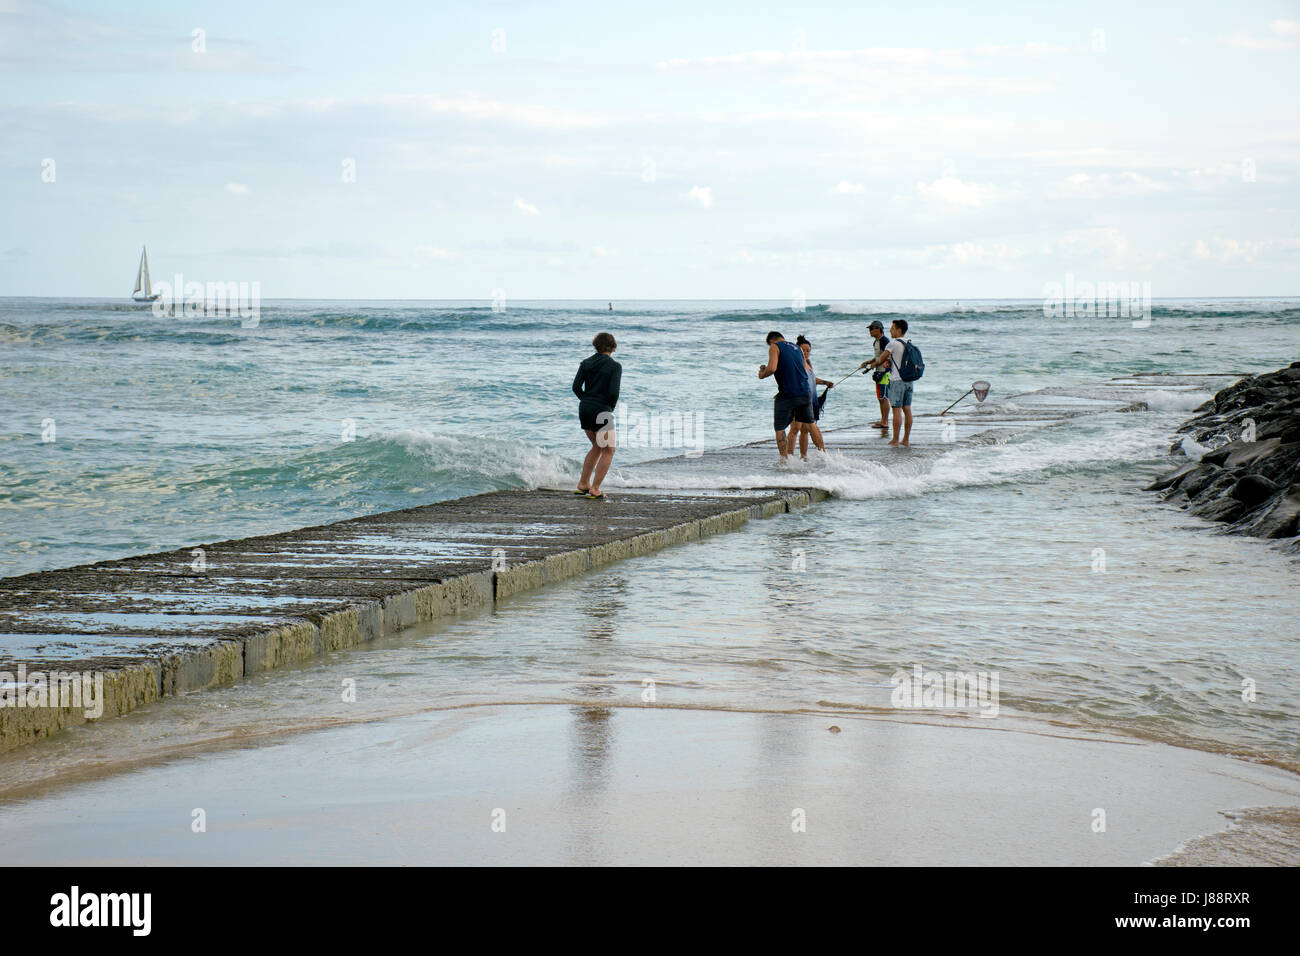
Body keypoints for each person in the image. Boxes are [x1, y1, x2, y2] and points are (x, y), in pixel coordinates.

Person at [571, 332, 621, 499]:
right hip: (602, 409)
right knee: (609, 449)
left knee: (597, 446)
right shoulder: (614, 366)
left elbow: (576, 387)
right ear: (613, 347)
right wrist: (609, 408)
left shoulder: (585, 363)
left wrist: (587, 401)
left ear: (595, 346)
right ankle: (595, 489)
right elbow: (613, 393)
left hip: (585, 408)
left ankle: (583, 484)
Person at [757, 331, 813, 461]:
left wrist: (762, 374)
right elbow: (806, 369)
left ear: (772, 341)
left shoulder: (775, 346)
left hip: (787, 394)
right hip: (805, 392)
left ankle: (785, 460)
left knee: (780, 428)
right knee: (810, 425)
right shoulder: (797, 348)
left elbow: (771, 368)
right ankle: (823, 454)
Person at [794, 335, 831, 458]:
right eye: (803, 350)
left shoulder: (808, 363)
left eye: (808, 350)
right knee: (807, 427)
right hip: (802, 400)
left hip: (812, 400)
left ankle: (803, 456)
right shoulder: (796, 363)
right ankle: (821, 452)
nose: (805, 352)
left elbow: (812, 379)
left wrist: (825, 382)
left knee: (805, 430)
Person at [880, 319, 914, 446]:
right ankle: (906, 439)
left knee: (896, 410)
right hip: (909, 380)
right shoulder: (908, 343)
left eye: (892, 328)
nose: (890, 330)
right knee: (907, 409)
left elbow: (880, 359)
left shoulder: (893, 343)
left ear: (899, 330)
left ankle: (895, 439)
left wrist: (868, 364)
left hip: (897, 381)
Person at [858, 320, 891, 429]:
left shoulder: (884, 341)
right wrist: (868, 362)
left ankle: (885, 421)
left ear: (878, 329)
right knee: (880, 398)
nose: (870, 331)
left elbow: (888, 356)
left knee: (885, 397)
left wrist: (874, 364)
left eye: (872, 329)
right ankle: (882, 420)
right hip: (878, 372)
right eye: (869, 329)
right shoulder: (876, 342)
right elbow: (878, 356)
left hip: (885, 373)